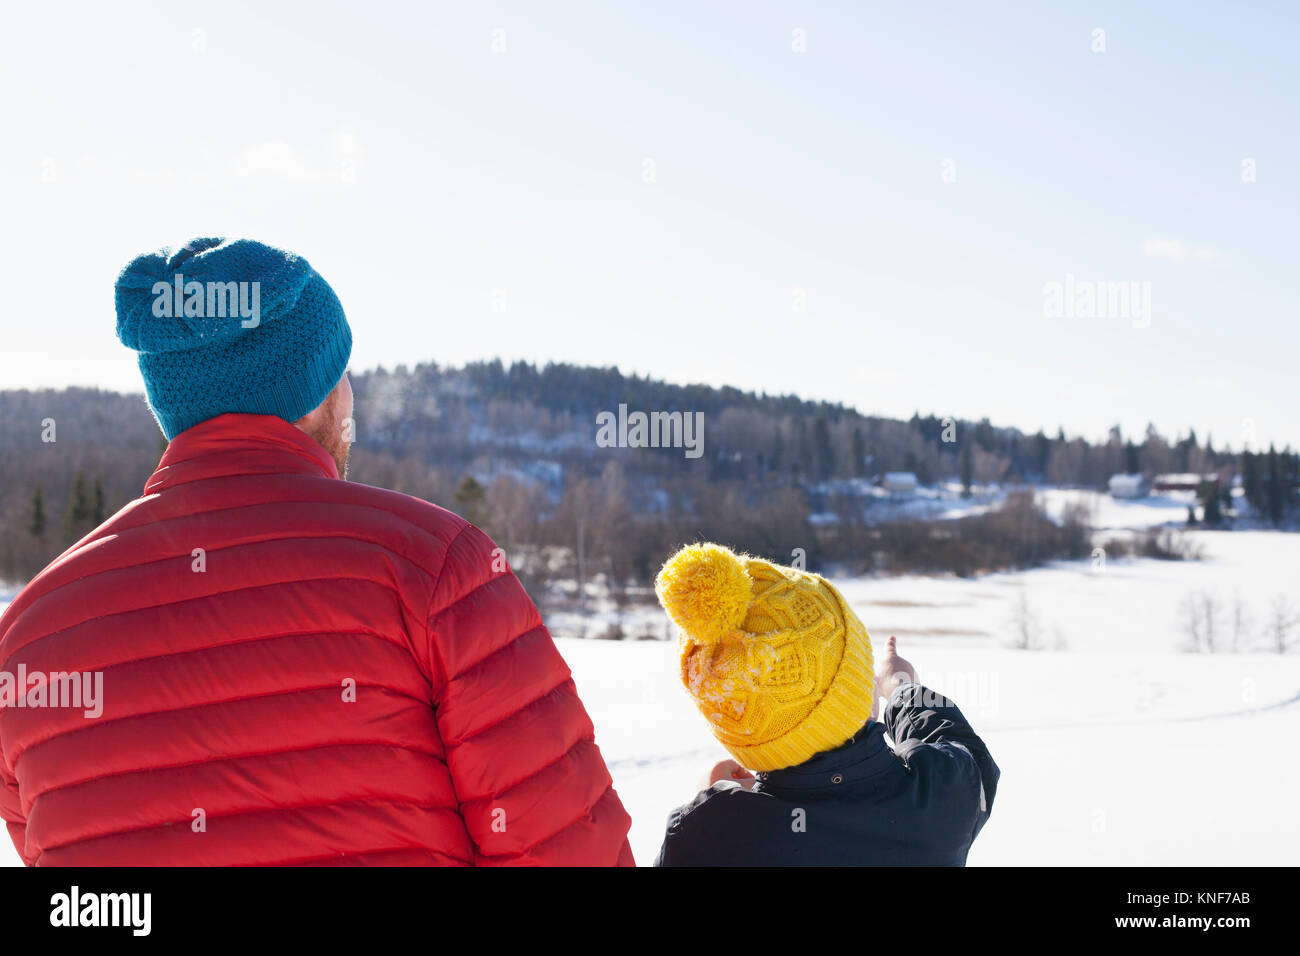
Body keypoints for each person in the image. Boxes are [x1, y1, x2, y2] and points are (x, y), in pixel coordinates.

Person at [0, 237, 633, 866]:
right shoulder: (437, 568)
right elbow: (565, 852)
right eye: (342, 370)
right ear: (319, 390)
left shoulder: (26, 637)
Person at [652, 542, 998, 866]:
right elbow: (968, 755)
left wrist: (713, 805)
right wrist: (903, 690)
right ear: (859, 695)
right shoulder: (938, 802)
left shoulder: (704, 838)